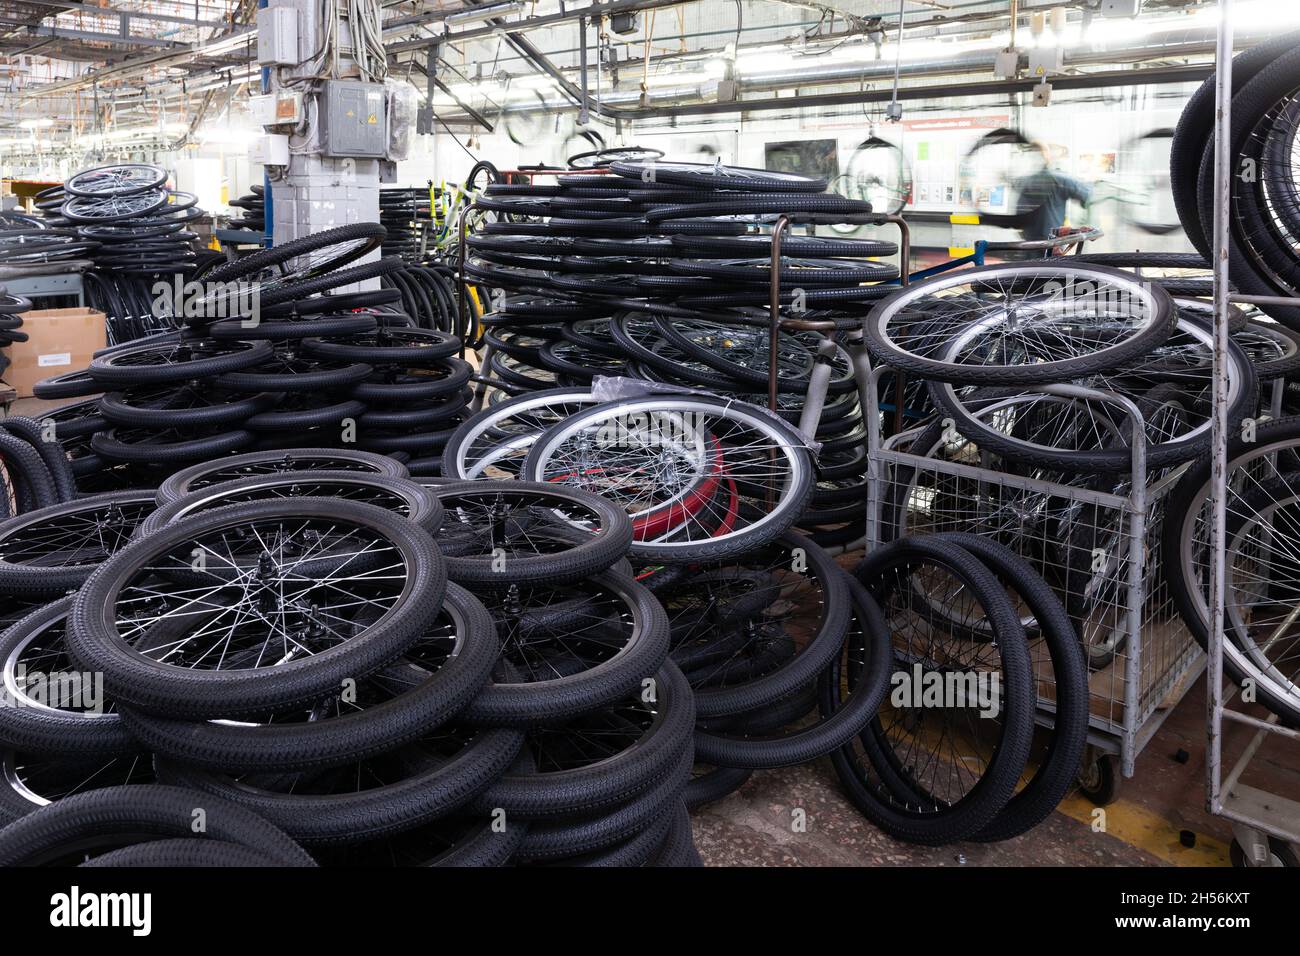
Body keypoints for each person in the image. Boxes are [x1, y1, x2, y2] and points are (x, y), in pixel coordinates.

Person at [1014, 144, 1092, 242]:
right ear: (1047, 157)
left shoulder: (1025, 183)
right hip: (1050, 244)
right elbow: (1088, 196)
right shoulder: (1061, 181)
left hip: (1034, 244)